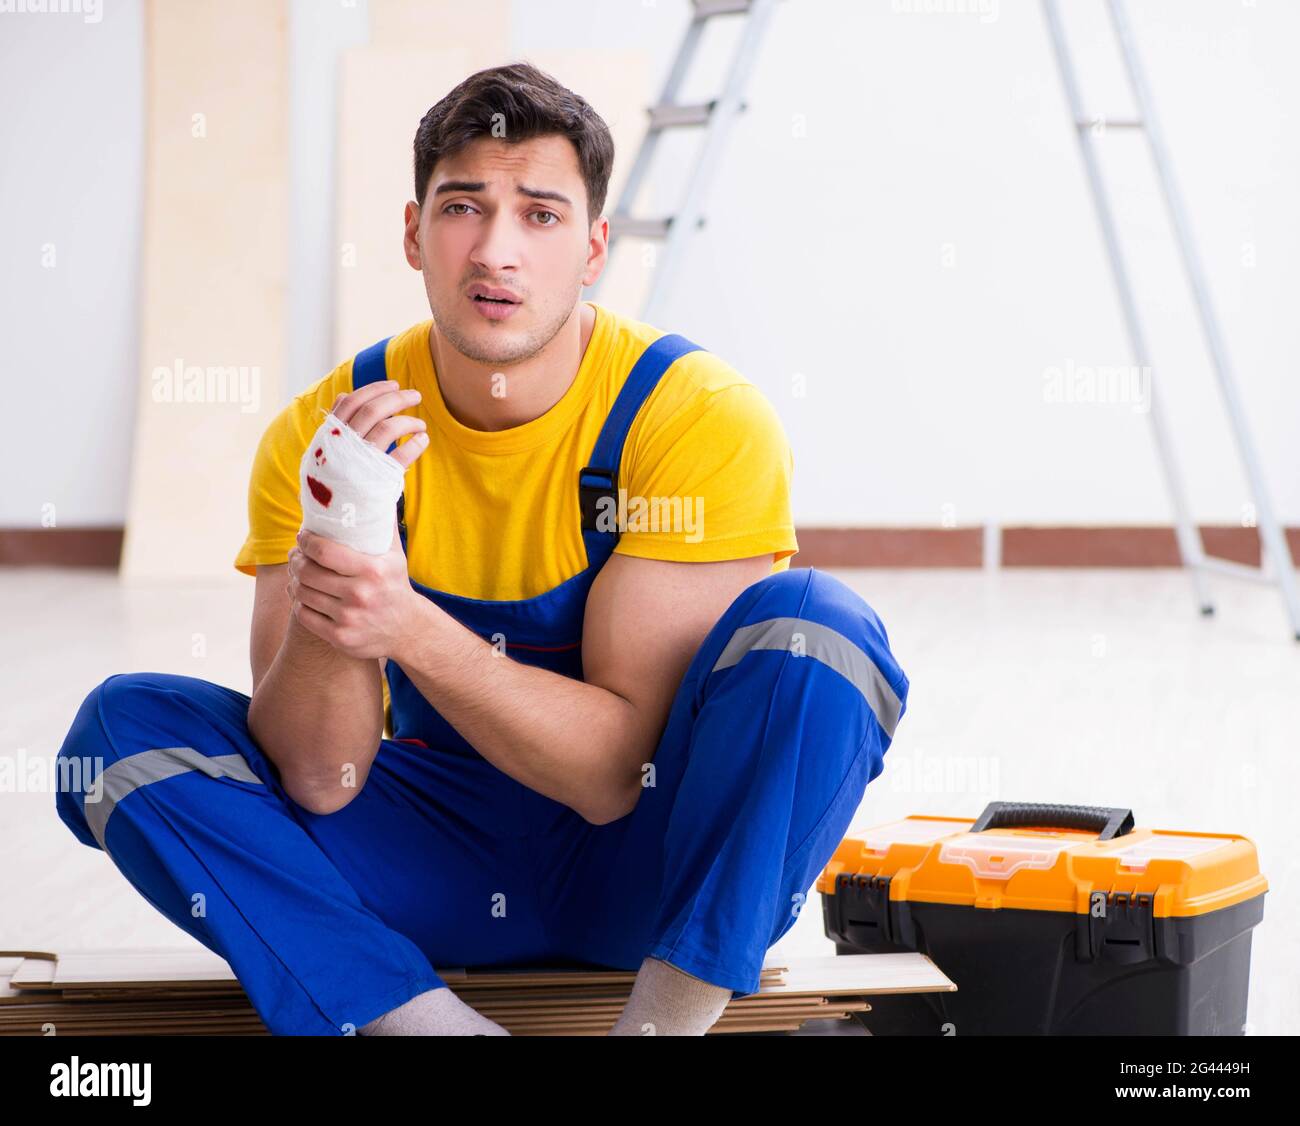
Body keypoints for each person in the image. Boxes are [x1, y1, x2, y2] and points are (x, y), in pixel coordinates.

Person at [54, 61, 909, 1036]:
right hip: (424, 873)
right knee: (120, 732)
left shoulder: (691, 416)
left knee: (818, 633)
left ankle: (662, 1027)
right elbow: (320, 778)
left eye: (539, 214)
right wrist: (342, 554)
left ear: (592, 248)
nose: (494, 251)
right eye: (463, 206)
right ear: (414, 233)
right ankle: (422, 1024)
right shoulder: (327, 438)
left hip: (641, 869)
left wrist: (404, 621)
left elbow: (608, 777)